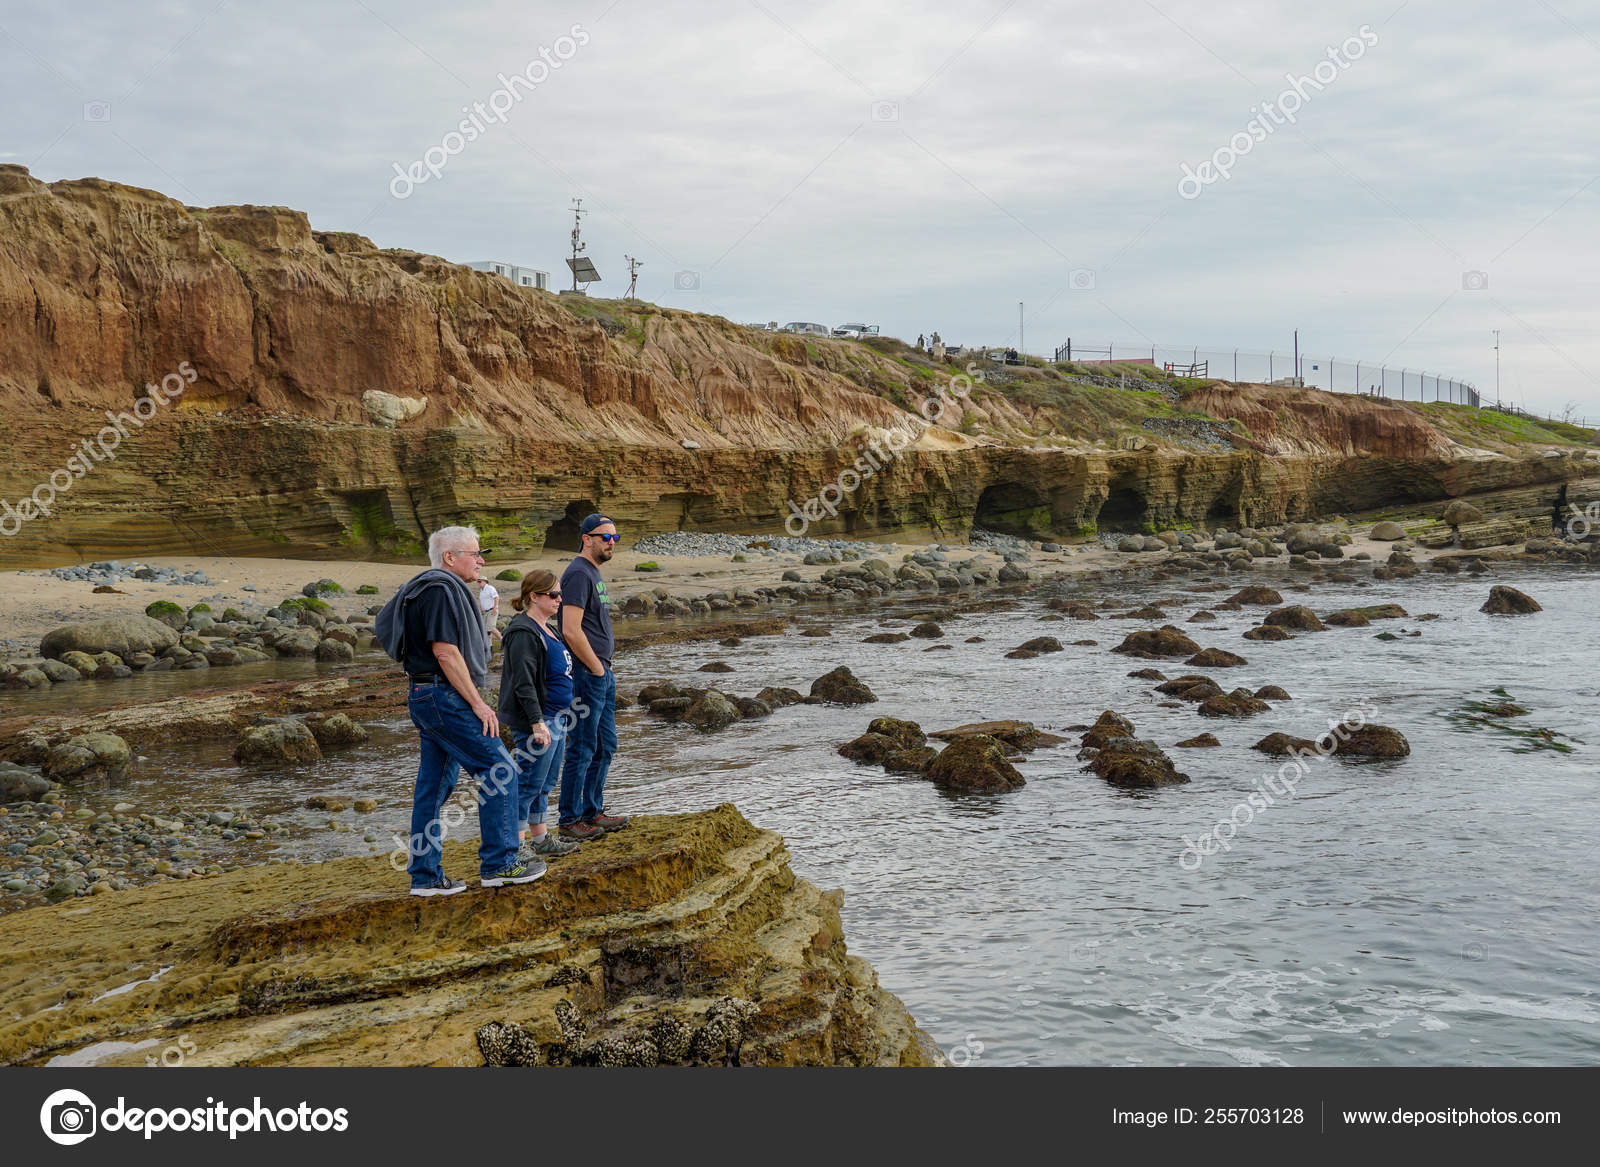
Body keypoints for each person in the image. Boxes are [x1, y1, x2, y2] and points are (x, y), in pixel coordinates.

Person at [374, 525, 544, 896]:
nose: (481, 560)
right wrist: (479, 704)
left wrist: (488, 621)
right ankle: (500, 864)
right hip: (442, 696)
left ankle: (425, 877)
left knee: (433, 788)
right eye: (475, 553)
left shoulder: (432, 588)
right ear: (450, 557)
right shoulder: (438, 590)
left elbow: (456, 648)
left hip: (426, 694)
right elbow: (445, 653)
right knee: (500, 771)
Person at [498, 570, 580, 859]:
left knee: (545, 782)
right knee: (529, 781)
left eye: (560, 595)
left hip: (557, 717)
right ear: (533, 596)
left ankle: (541, 838)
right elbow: (523, 682)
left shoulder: (548, 628)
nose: (559, 600)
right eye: (553, 595)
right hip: (539, 720)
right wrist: (536, 723)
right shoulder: (522, 632)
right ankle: (516, 845)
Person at [557, 514, 628, 840]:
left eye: (614, 537)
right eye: (604, 537)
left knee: (605, 745)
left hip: (601, 671)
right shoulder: (577, 574)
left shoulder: (592, 573)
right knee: (583, 746)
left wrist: (604, 669)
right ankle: (570, 820)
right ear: (586, 538)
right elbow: (570, 629)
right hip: (588, 673)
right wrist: (597, 668)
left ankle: (592, 811)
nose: (610, 542)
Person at [478, 578, 500, 655]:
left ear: (485, 582)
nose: (478, 583)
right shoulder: (481, 591)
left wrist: (495, 608)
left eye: (480, 581)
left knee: (490, 627)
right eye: (478, 581)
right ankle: (490, 647)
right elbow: (482, 602)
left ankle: (503, 641)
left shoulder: (490, 588)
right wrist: (479, 610)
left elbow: (496, 597)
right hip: (486, 612)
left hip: (492, 610)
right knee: (486, 630)